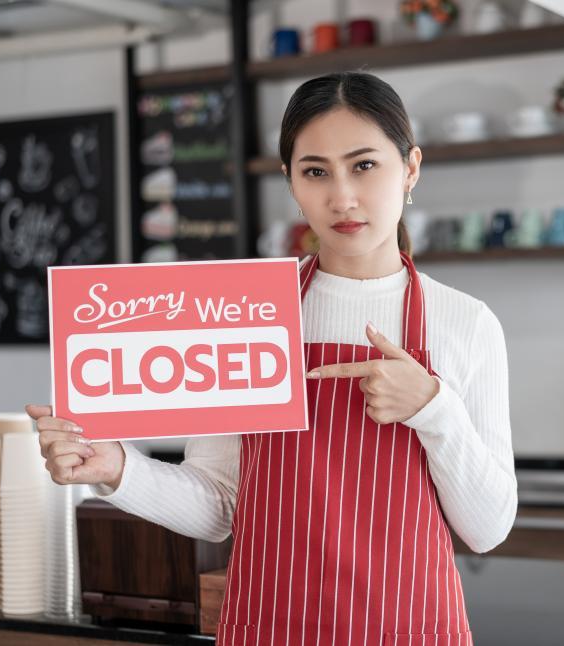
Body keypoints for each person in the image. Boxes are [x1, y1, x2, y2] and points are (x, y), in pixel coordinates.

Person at [27, 71, 516, 645]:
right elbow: (220, 507)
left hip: (411, 629)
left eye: (364, 165)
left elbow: (487, 529)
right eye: (316, 171)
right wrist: (117, 468)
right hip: (269, 627)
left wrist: (434, 409)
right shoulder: (246, 312)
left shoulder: (465, 322)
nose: (342, 197)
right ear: (291, 181)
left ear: (410, 168)